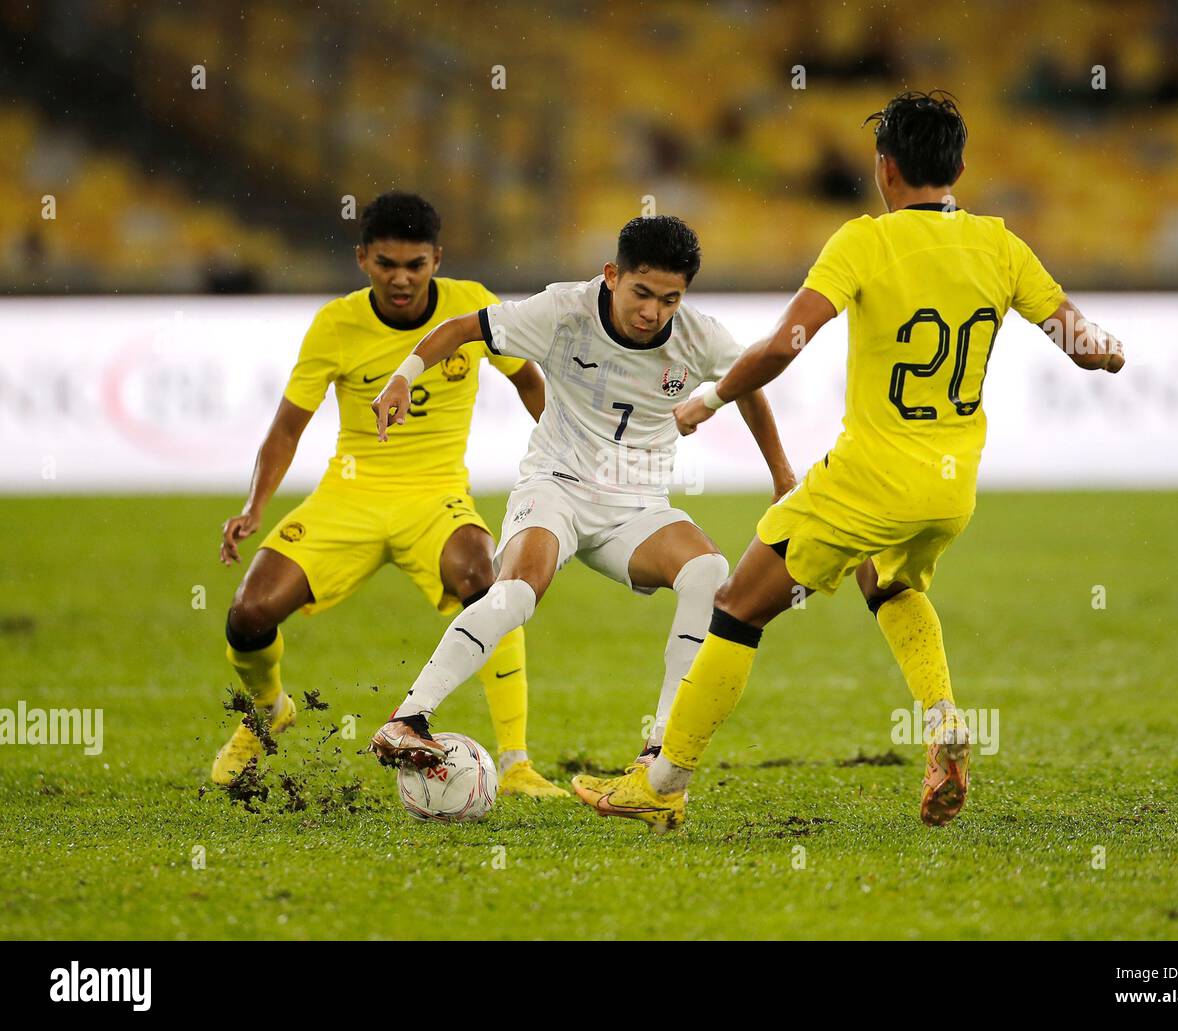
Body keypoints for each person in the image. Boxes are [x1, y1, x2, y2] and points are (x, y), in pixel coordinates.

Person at [571, 90, 1126, 833]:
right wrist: (1110, 351)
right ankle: (943, 718)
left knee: (738, 605)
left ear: (883, 169)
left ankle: (664, 780)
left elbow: (781, 345)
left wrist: (706, 400)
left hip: (869, 476)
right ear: (959, 166)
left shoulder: (865, 242)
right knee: (887, 578)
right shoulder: (1000, 244)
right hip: (950, 486)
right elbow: (1086, 344)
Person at [366, 215, 796, 771]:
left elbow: (748, 384)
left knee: (708, 572)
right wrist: (404, 374)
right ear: (612, 275)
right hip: (556, 488)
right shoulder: (562, 311)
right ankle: (409, 718)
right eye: (641, 292)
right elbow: (460, 329)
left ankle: (661, 749)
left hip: (637, 509)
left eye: (670, 299)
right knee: (518, 594)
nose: (652, 312)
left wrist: (782, 475)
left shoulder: (700, 337)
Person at [213, 191, 567, 798]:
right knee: (248, 615)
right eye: (386, 264)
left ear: (437, 259)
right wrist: (254, 506)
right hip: (349, 498)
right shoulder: (336, 324)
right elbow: (287, 428)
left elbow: (531, 382)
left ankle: (515, 764)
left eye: (415, 265)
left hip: (436, 499)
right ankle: (269, 710)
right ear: (362, 259)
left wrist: (569, 459)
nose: (401, 280)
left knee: (488, 583)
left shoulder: (471, 307)